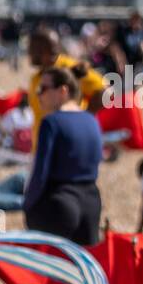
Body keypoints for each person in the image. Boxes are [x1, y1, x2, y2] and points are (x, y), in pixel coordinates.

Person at [23, 65, 104, 245]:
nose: (38, 95)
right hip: (91, 203)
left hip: (60, 204)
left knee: (50, 268)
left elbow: (40, 173)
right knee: (85, 268)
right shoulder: (92, 121)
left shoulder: (51, 122)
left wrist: (28, 206)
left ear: (63, 90)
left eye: (43, 89)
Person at [26, 29, 106, 152]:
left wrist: (84, 119)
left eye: (31, 49)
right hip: (44, 148)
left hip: (65, 147)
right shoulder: (39, 76)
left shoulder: (68, 68)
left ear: (42, 50)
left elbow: (106, 93)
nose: (29, 53)